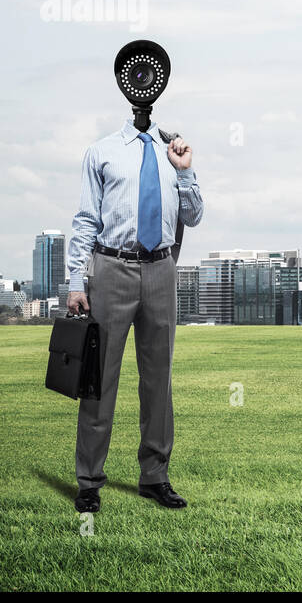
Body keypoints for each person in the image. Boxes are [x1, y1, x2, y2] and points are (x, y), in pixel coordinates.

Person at [65, 120, 202, 513]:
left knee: (159, 379)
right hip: (112, 268)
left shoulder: (172, 151)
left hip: (162, 269)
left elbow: (193, 217)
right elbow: (87, 219)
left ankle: (155, 478)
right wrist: (77, 281)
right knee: (99, 378)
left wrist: (186, 171)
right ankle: (89, 481)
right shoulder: (102, 151)